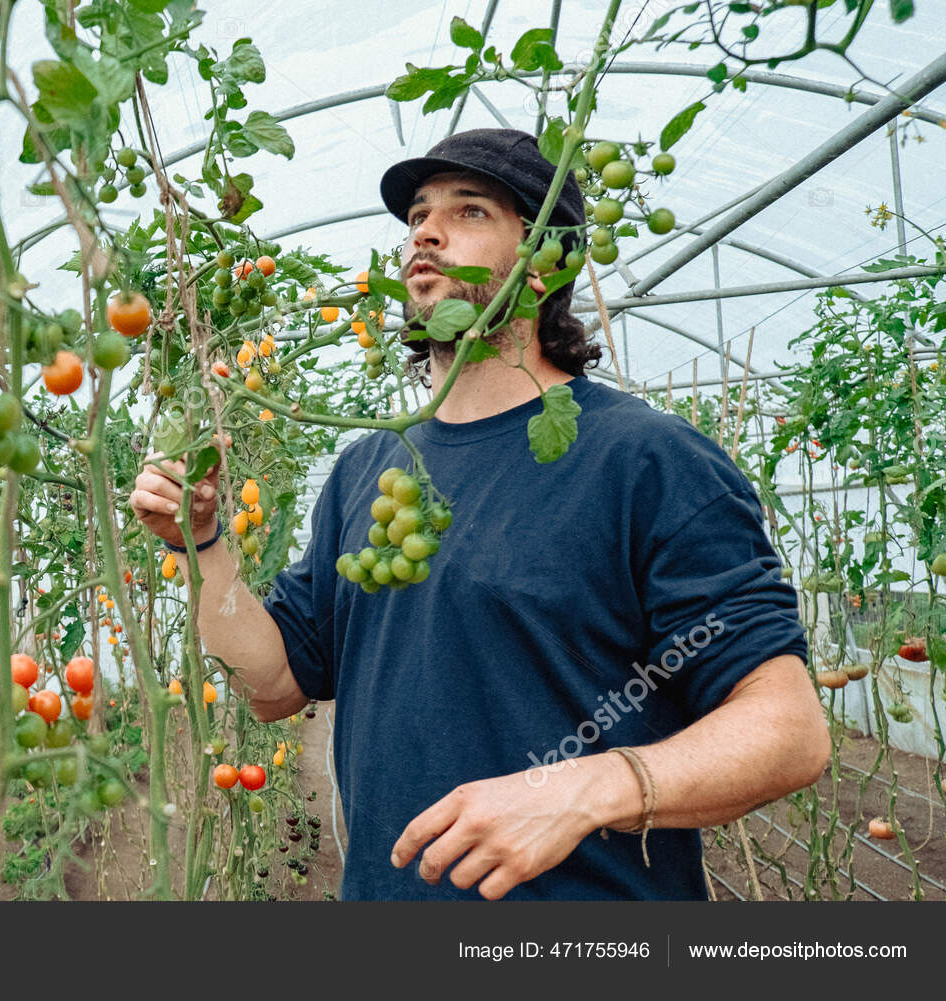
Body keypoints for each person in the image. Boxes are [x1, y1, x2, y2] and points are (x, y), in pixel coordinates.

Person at [127, 127, 828, 901]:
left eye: (469, 212)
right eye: (418, 215)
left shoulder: (645, 461)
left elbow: (788, 730)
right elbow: (274, 682)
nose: (424, 231)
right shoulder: (368, 471)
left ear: (544, 264)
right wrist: (201, 542)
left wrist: (585, 789)